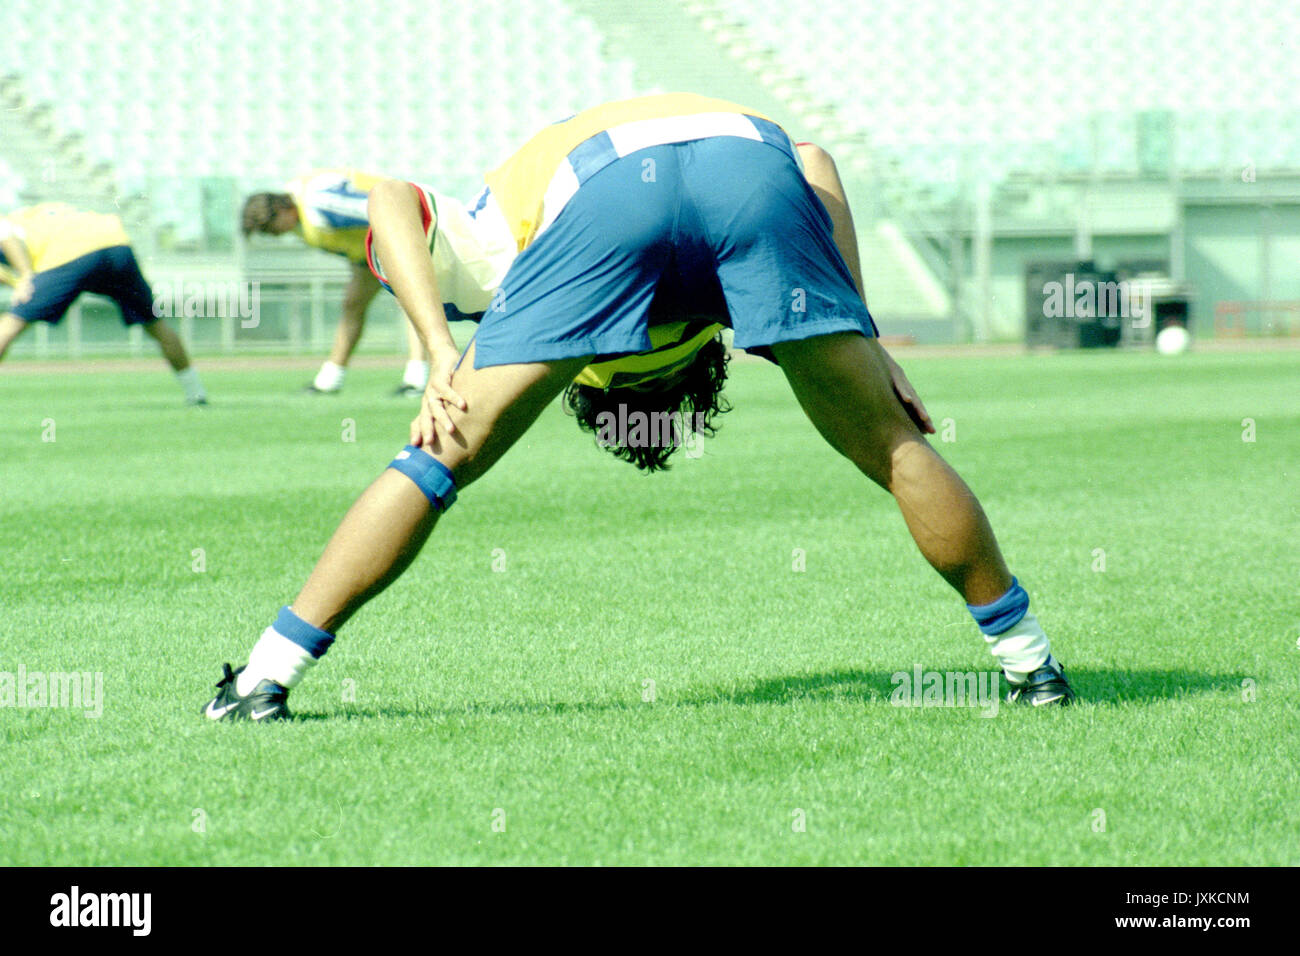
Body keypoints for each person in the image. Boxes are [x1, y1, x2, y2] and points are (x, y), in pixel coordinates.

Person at [203, 93, 1074, 722]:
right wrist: (861, 330)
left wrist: (439, 354)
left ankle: (264, 679)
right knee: (889, 444)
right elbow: (813, 159)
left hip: (618, 185)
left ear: (595, 365)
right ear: (705, 348)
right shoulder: (708, 306)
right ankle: (1034, 670)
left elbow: (389, 196)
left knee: (441, 457)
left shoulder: (512, 266)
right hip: (753, 165)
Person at [242, 169, 434, 396]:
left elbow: (386, 210)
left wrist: (409, 252)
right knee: (352, 304)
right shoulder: (301, 215)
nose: (271, 234)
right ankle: (330, 379)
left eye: (268, 227)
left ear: (281, 209)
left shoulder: (320, 204)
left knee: (410, 302)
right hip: (372, 249)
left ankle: (417, 378)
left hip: (403, 235)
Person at [0, 203, 207, 404]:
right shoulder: (34, 215)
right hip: (116, 245)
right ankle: (196, 393)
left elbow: (5, 236)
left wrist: (26, 276)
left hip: (70, 251)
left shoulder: (10, 224)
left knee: (11, 324)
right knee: (155, 325)